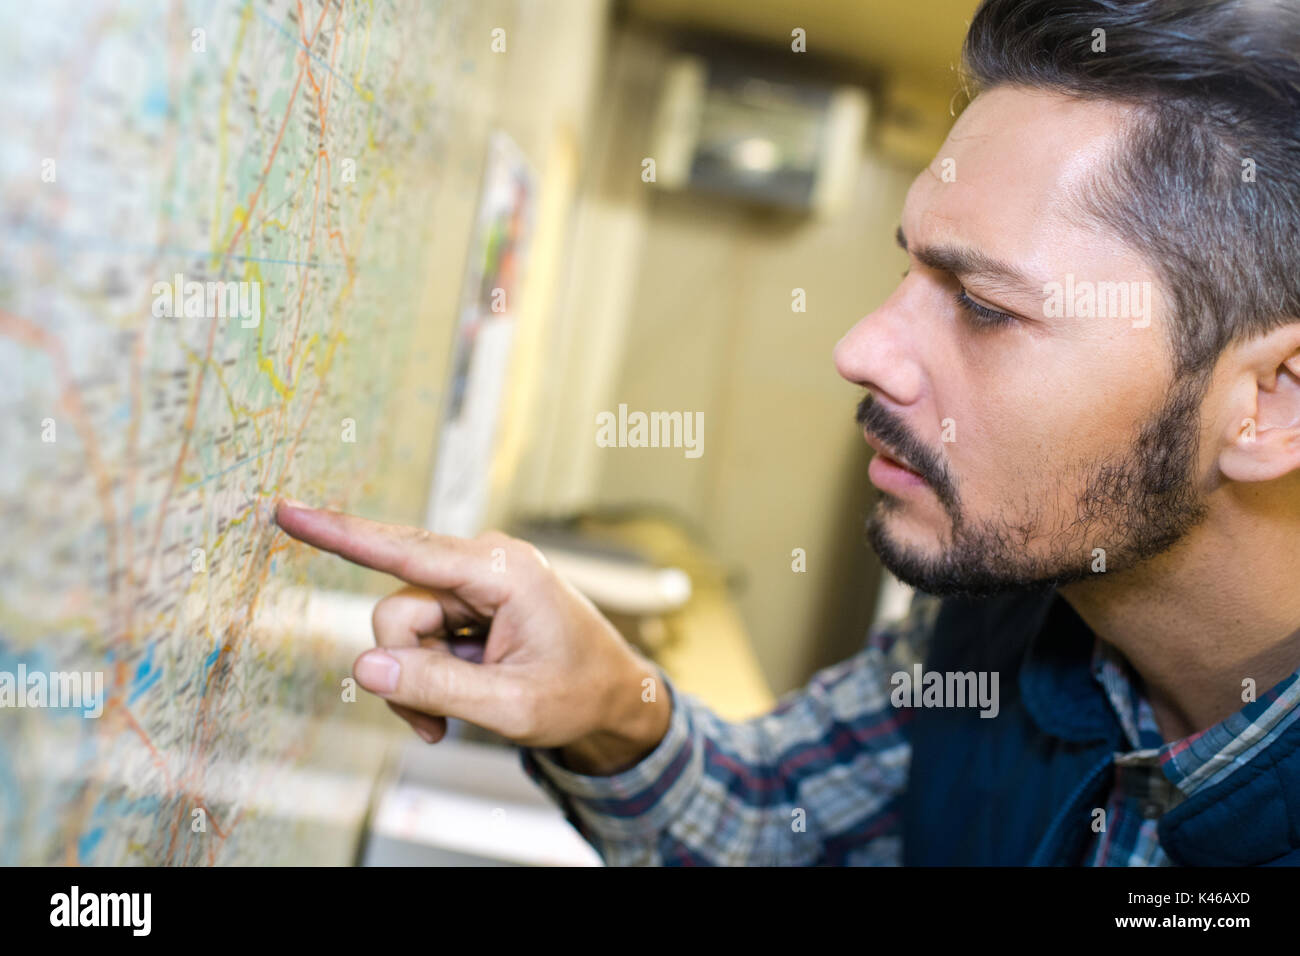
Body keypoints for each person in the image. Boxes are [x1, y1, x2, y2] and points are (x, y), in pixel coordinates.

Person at [274, 0, 1300, 865]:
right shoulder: (1005, 623)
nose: (862, 348)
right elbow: (777, 818)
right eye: (912, 269)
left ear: (1272, 400)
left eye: (984, 305)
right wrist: (611, 705)